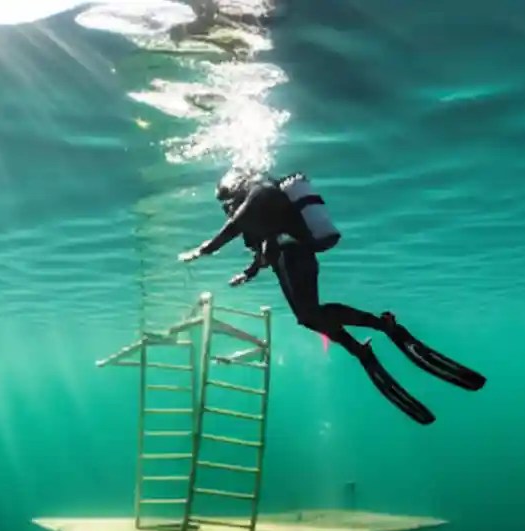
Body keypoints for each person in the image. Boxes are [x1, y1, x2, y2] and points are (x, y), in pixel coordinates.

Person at [178, 168, 486, 425]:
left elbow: (235, 226)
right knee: (306, 318)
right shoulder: (256, 205)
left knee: (310, 313)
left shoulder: (261, 190)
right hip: (286, 260)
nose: (228, 208)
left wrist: (203, 250)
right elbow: (262, 247)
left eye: (227, 202)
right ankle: (360, 348)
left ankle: (382, 326)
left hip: (297, 256)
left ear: (236, 190)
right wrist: (249, 273)